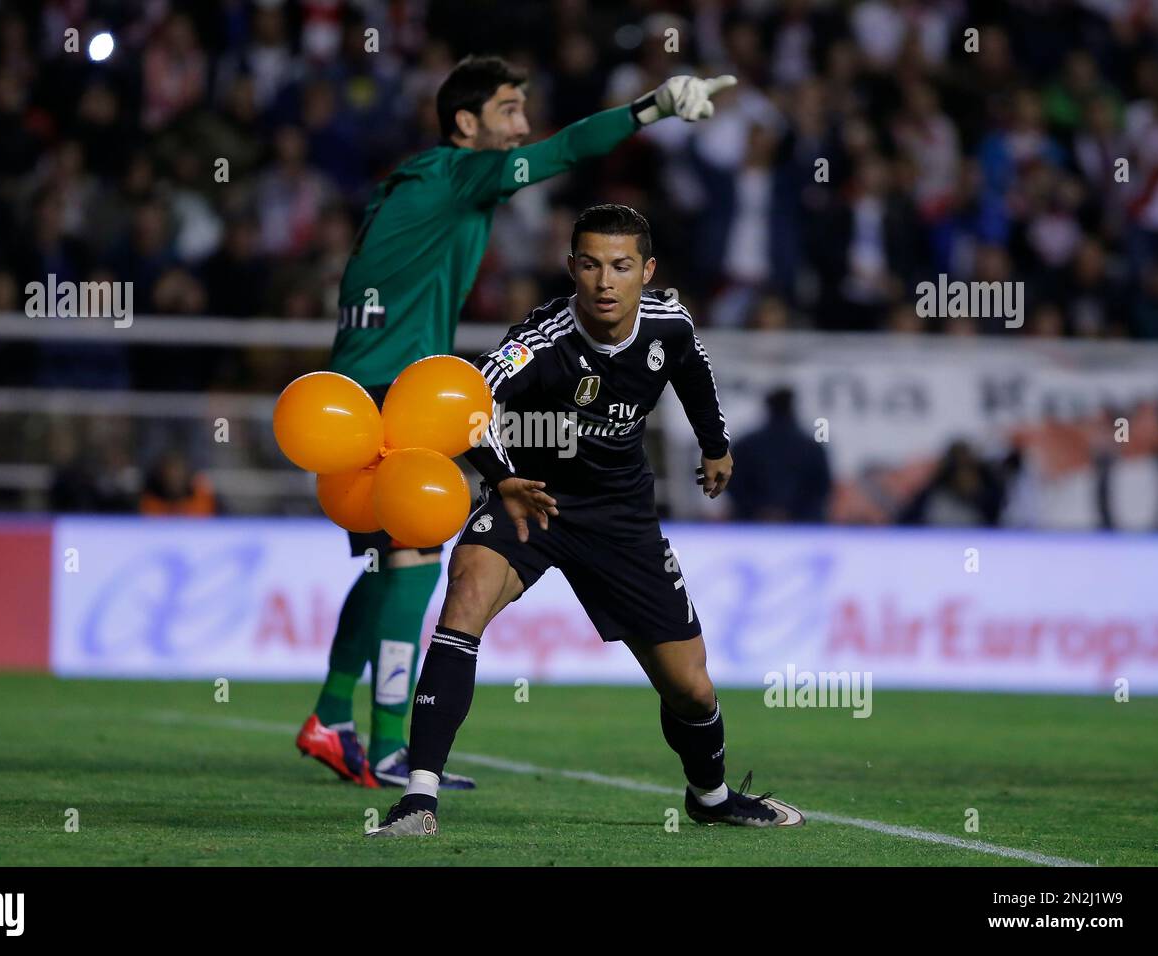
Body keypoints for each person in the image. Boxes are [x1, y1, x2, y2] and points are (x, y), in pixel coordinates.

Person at [298, 56, 739, 790]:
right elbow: (563, 152)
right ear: (467, 124)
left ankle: (334, 717)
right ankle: (384, 750)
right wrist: (652, 108)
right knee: (412, 558)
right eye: (509, 110)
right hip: (389, 394)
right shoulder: (455, 173)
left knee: (387, 560)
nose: (522, 127)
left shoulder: (414, 186)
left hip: (358, 388)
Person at [365, 204, 804, 836]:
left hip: (621, 517)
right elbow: (463, 406)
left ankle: (710, 798)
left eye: (621, 267)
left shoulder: (668, 325)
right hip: (532, 499)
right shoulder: (538, 342)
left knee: (692, 690)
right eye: (591, 265)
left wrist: (715, 444)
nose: (605, 281)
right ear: (571, 267)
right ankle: (418, 801)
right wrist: (501, 479)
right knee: (462, 602)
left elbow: (692, 368)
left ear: (646, 271)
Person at [726, 386, 832, 523]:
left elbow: (733, 484)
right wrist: (793, 513)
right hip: (801, 528)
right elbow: (821, 488)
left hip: (752, 527)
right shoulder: (812, 447)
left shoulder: (745, 445)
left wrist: (759, 511)